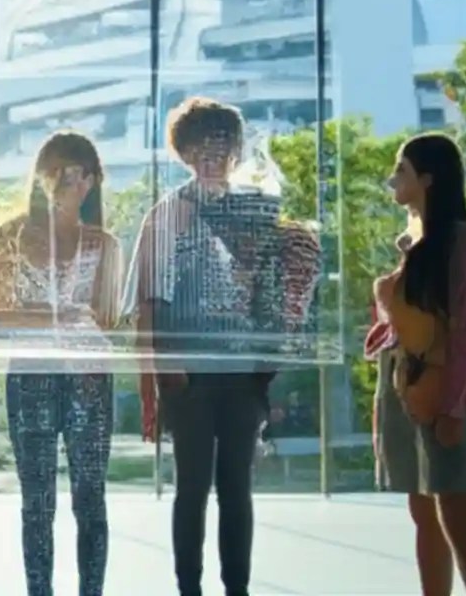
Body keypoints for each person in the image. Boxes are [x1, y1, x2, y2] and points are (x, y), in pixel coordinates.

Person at [128, 97, 318, 596]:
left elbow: (275, 298)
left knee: (237, 487)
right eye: (201, 144)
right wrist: (155, 374)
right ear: (185, 151)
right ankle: (188, 587)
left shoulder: (257, 210)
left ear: (235, 149)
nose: (212, 153)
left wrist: (269, 371)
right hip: (186, 373)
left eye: (222, 143)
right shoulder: (167, 213)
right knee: (191, 487)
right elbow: (147, 302)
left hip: (242, 373)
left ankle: (238, 588)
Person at [368, 132, 466, 596]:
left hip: (445, 388)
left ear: (428, 179)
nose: (393, 181)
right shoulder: (415, 242)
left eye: (402, 171)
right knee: (422, 511)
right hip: (408, 382)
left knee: (457, 518)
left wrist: (455, 406)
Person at [0, 131, 122, 596]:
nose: (69, 182)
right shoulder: (12, 235)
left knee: (91, 500)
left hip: (89, 379)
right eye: (59, 172)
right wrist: (62, 315)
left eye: (79, 173)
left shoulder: (103, 244)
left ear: (92, 182)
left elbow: (109, 321)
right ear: (42, 176)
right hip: (30, 377)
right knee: (37, 502)